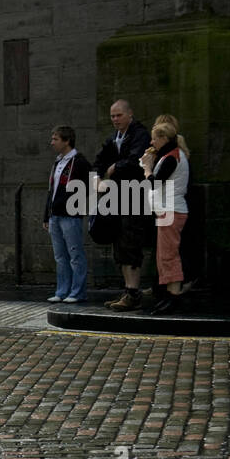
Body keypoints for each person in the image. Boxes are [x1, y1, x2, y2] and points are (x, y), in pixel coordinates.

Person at [93, 99, 151, 311]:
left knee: (131, 243)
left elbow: (136, 162)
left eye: (119, 115)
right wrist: (97, 177)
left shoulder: (140, 134)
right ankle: (128, 290)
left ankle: (133, 293)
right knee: (119, 244)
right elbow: (99, 161)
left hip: (135, 197)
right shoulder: (114, 139)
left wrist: (115, 167)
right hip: (118, 197)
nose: (115, 119)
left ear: (130, 114)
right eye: (112, 116)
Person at [139, 122, 190, 314]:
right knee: (164, 255)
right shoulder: (170, 155)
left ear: (163, 138)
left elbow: (155, 183)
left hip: (171, 211)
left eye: (154, 138)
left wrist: (147, 169)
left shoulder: (172, 157)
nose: (152, 142)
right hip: (167, 210)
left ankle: (174, 297)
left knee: (168, 255)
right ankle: (169, 295)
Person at [43, 125, 90, 303]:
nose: (52, 142)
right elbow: (51, 190)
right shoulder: (57, 162)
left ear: (67, 141)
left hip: (70, 215)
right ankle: (62, 291)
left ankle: (77, 292)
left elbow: (89, 186)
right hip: (55, 215)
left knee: (75, 254)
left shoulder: (79, 162)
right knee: (60, 256)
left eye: (55, 139)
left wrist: (77, 205)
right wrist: (46, 215)